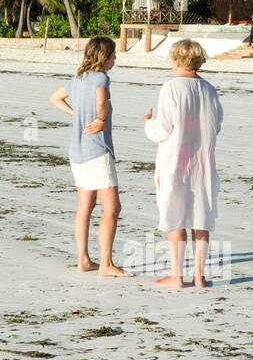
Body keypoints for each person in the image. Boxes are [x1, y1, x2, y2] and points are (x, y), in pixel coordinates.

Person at [143, 39, 224, 289]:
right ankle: (199, 276)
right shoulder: (210, 89)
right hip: (203, 163)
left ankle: (177, 275)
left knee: (175, 215)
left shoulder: (171, 88)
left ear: (177, 61)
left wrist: (148, 122)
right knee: (202, 215)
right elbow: (216, 124)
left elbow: (163, 129)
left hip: (174, 162)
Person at [49, 36, 132, 277]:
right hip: (96, 150)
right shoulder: (101, 77)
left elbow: (54, 98)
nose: (115, 59)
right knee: (112, 208)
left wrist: (75, 114)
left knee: (84, 207)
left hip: (76, 151)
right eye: (113, 55)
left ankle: (83, 259)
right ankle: (106, 263)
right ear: (104, 57)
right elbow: (101, 101)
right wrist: (101, 120)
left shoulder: (77, 78)